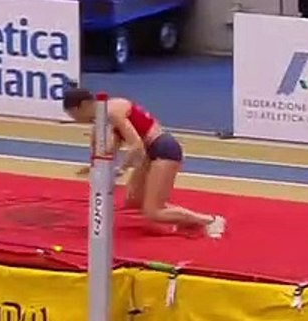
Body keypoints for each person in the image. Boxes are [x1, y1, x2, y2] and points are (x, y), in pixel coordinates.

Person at [62, 86, 225, 238]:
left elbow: (136, 146)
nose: (75, 120)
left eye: (73, 115)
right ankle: (185, 220)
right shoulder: (107, 111)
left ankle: (210, 220)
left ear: (82, 106)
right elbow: (115, 144)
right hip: (150, 153)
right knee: (134, 200)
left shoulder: (112, 112)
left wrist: (121, 169)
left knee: (154, 212)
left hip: (164, 150)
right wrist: (96, 165)